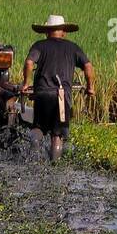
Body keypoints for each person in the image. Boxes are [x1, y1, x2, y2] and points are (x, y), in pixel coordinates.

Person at [22, 15, 96, 162]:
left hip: (43, 94)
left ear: (47, 32)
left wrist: (26, 83)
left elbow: (29, 62)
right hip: (62, 96)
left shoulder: (39, 45)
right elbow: (88, 66)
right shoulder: (73, 48)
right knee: (57, 134)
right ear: (64, 32)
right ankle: (55, 167)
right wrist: (90, 87)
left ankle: (32, 157)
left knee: (38, 128)